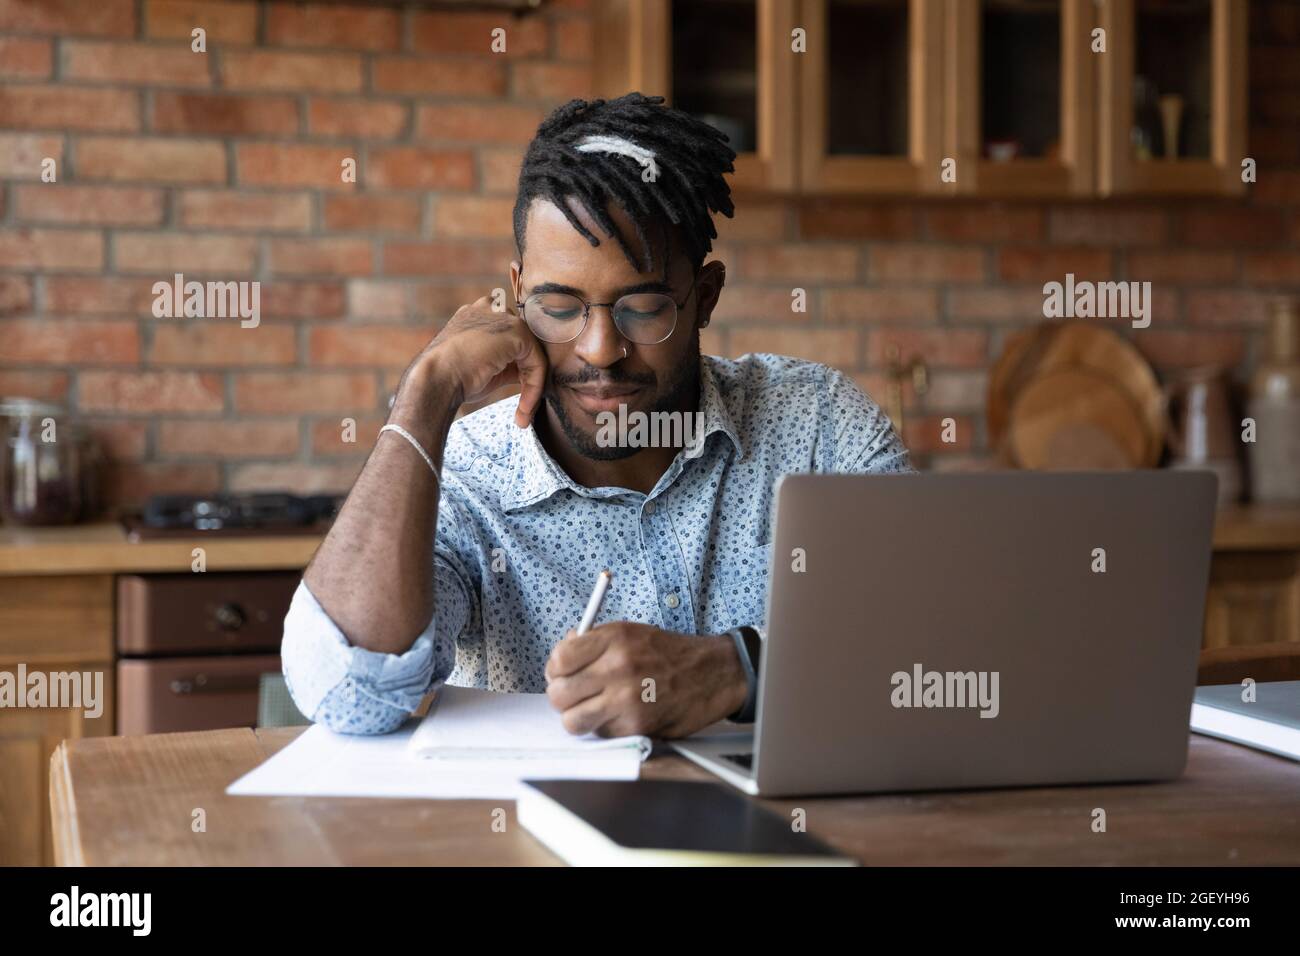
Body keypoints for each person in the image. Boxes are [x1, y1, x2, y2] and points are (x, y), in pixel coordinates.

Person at [281, 92, 911, 738]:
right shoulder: (469, 477)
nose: (600, 349)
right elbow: (349, 698)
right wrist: (423, 397)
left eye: (642, 307)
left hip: (796, 835)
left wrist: (739, 669)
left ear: (706, 298)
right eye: (560, 307)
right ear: (518, 294)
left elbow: (940, 644)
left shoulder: (818, 425)